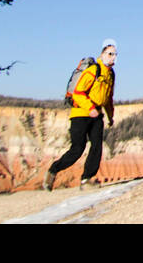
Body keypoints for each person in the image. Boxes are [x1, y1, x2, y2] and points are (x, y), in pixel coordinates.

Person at [43, 41, 117, 191]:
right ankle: (53, 170)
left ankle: (86, 179)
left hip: (97, 115)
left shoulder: (110, 75)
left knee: (97, 146)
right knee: (77, 149)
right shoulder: (93, 70)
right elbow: (78, 93)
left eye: (115, 54)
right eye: (110, 54)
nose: (113, 57)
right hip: (80, 114)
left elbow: (108, 98)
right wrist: (89, 108)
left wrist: (110, 117)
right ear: (102, 54)